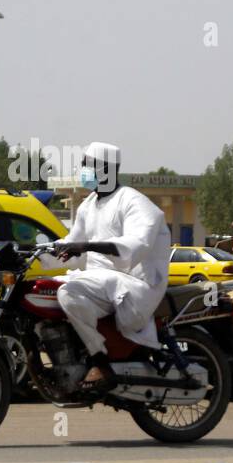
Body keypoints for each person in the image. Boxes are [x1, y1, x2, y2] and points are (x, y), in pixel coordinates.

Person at [51, 142, 171, 390]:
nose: (83, 170)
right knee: (46, 289)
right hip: (102, 283)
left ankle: (100, 361)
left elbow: (135, 246)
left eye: (87, 165)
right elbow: (72, 244)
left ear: (105, 168)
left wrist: (86, 246)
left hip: (136, 284)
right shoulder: (88, 206)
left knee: (68, 293)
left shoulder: (134, 202)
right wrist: (32, 249)